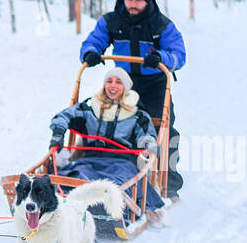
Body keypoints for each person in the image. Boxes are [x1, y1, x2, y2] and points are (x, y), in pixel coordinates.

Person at [79, 0, 185, 191]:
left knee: (162, 129)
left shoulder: (161, 25)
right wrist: (90, 53)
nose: (133, 5)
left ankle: (169, 185)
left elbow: (179, 54)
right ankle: (113, 172)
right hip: (124, 83)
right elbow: (93, 41)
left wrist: (161, 58)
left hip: (155, 83)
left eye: (138, 0)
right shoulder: (111, 21)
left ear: (148, 1)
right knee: (111, 123)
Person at [48, 65, 163, 214]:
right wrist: (58, 134)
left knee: (115, 183)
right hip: (90, 160)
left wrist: (150, 145)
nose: (113, 85)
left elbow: (146, 136)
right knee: (75, 175)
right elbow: (63, 116)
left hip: (122, 163)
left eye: (118, 82)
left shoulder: (138, 115)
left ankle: (110, 211)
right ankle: (58, 205)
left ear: (126, 88)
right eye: (109, 81)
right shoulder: (90, 108)